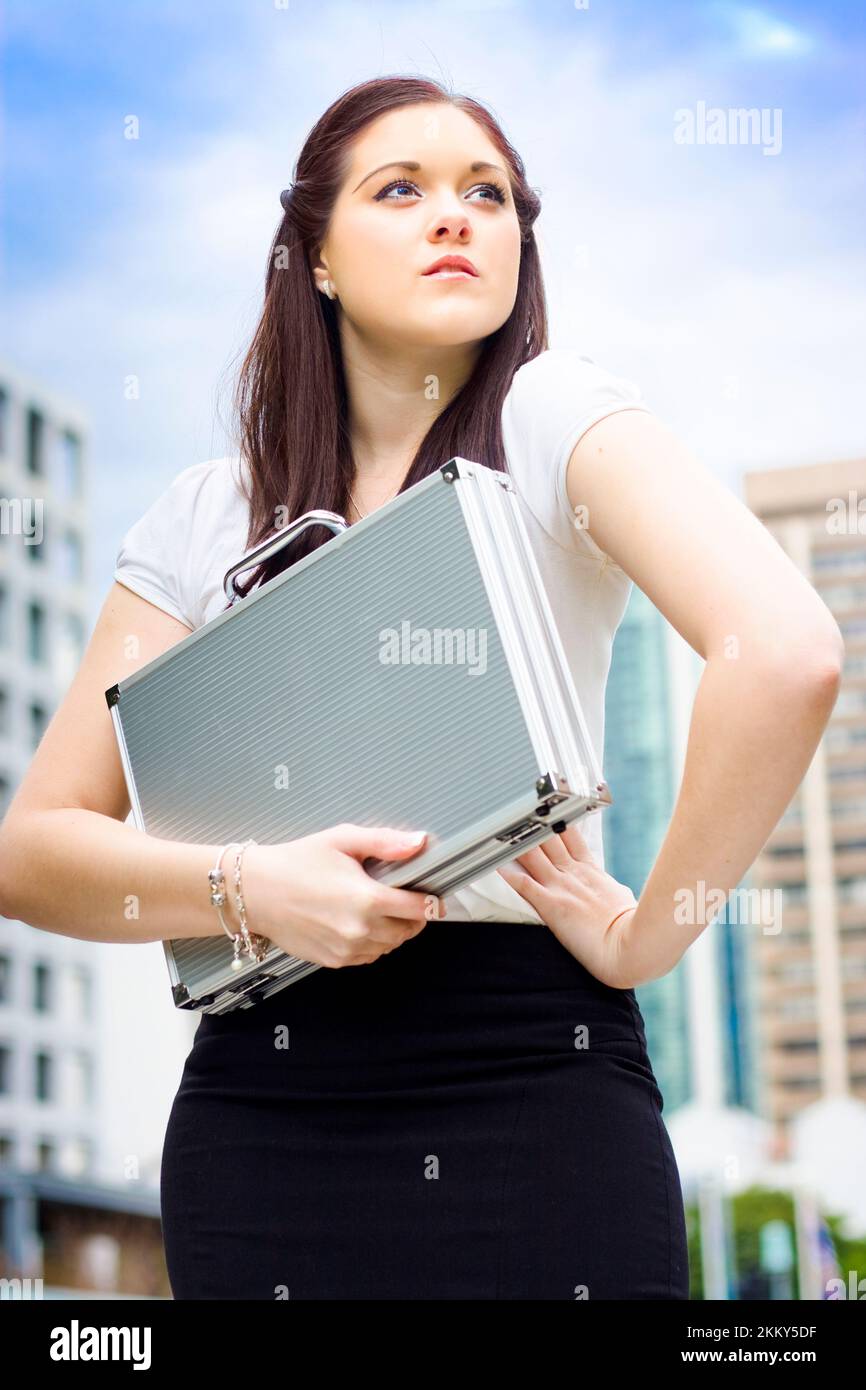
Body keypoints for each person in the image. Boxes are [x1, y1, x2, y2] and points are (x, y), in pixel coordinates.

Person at [0, 76, 843, 1301]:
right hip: (262, 1108)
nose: (456, 215)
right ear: (316, 258)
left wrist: (643, 936)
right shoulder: (204, 511)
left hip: (533, 1081)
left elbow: (784, 651)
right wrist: (251, 885)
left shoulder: (550, 415)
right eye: (401, 190)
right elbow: (30, 851)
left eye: (487, 193)